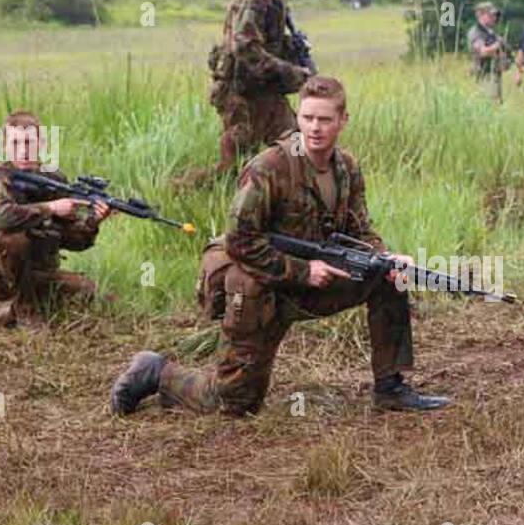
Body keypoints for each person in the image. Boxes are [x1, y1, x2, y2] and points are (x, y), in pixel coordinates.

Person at [111, 76, 451, 417]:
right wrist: (303, 271)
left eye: (325, 119)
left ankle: (391, 388)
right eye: (307, 118)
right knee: (234, 403)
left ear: (343, 121)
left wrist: (385, 256)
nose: (315, 128)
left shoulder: (346, 168)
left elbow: (358, 229)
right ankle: (157, 372)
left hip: (313, 278)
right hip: (260, 284)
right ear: (298, 118)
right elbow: (240, 241)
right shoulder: (269, 167)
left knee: (389, 275)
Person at [174, 0, 313, 188]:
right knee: (234, 166)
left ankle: (291, 196)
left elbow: (268, 44)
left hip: (264, 89)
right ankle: (182, 189)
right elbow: (246, 48)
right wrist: (292, 73)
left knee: (295, 144)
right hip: (239, 93)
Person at [0, 110, 114, 328]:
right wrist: (51, 208)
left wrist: (94, 221)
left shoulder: (53, 181)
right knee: (14, 238)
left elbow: (74, 241)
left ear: (41, 144)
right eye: (16, 143)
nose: (23, 150)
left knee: (99, 295)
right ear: (5, 146)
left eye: (29, 143)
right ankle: (23, 311)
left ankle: (13, 310)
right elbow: (3, 218)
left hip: (38, 274)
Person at [466, 2, 507, 101]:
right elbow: (482, 52)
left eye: (495, 15)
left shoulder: (491, 32)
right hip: (484, 75)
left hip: (494, 74)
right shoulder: (475, 32)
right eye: (491, 15)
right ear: (481, 15)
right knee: (490, 104)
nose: (494, 18)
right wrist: (497, 45)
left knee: (497, 104)